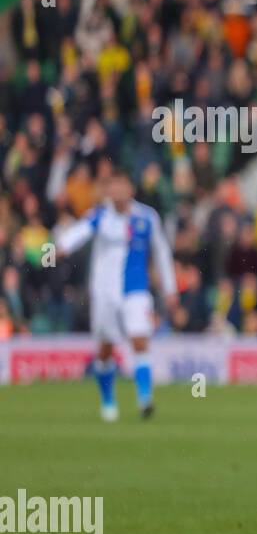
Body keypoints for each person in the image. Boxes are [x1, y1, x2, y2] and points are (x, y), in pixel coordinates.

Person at [57, 164, 177, 421]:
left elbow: (162, 253)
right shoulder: (100, 216)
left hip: (136, 290)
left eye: (123, 186)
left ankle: (145, 398)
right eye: (114, 186)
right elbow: (79, 231)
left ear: (130, 189)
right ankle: (108, 399)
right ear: (109, 191)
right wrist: (62, 246)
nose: (119, 191)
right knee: (105, 349)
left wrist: (170, 288)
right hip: (104, 293)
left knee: (139, 338)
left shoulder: (147, 217)